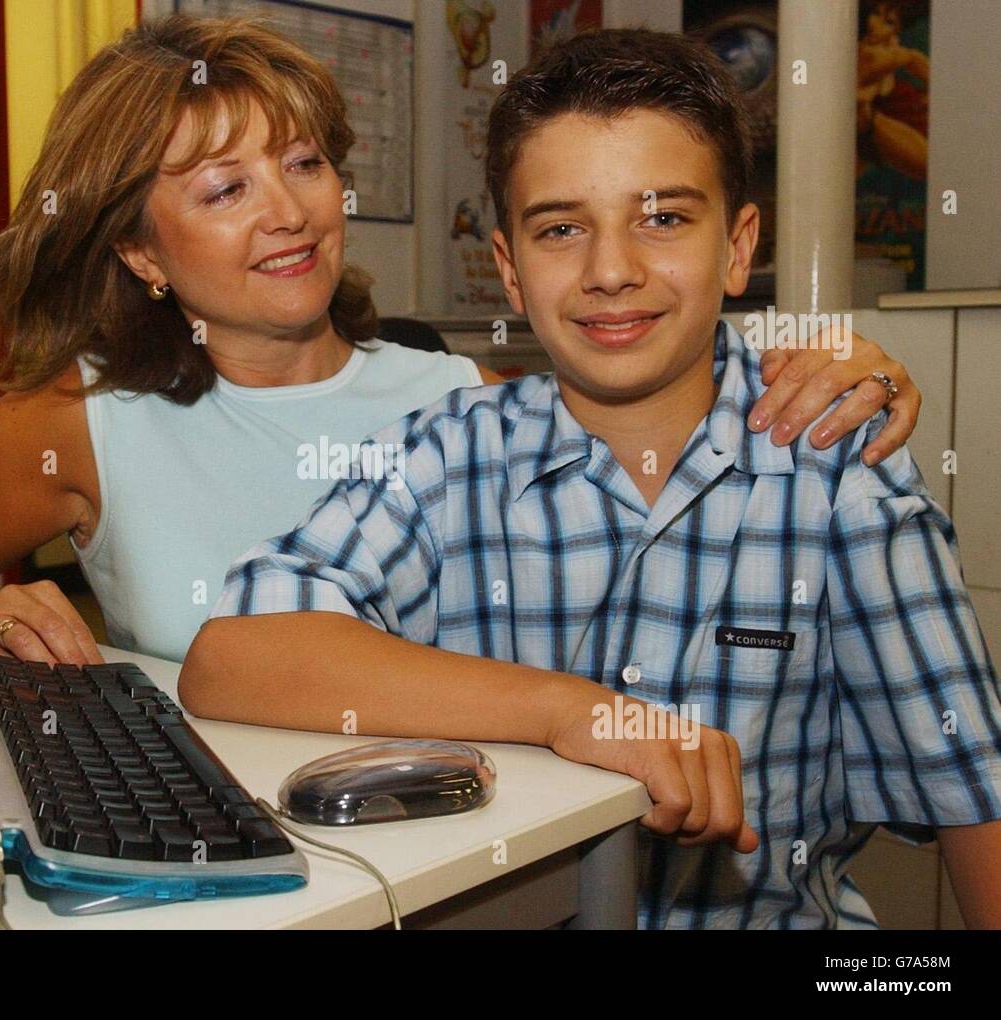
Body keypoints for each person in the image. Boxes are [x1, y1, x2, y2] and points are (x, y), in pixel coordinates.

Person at [182, 28, 1001, 929]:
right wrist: (573, 712)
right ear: (510, 272)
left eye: (662, 218)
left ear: (738, 245)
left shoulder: (841, 471)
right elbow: (231, 657)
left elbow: (974, 796)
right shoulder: (445, 455)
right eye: (562, 228)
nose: (612, 270)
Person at [0, 13, 921, 670]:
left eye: (304, 162)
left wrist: (835, 372)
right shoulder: (80, 424)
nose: (290, 212)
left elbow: (676, 436)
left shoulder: (463, 398)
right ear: (141, 249)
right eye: (226, 188)